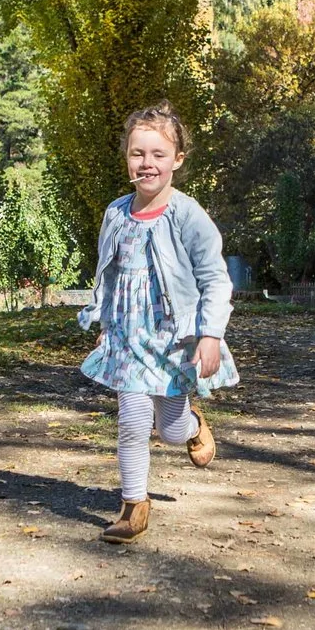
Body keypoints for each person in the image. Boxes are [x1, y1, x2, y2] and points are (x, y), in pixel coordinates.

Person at [78, 102, 237, 542]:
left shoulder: (188, 216)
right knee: (131, 420)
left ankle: (192, 425)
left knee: (168, 429)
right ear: (127, 157)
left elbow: (215, 279)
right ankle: (134, 505)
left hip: (174, 339)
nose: (146, 164)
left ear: (177, 161)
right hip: (129, 339)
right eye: (137, 154)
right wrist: (103, 316)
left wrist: (210, 334)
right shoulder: (115, 213)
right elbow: (109, 273)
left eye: (158, 155)